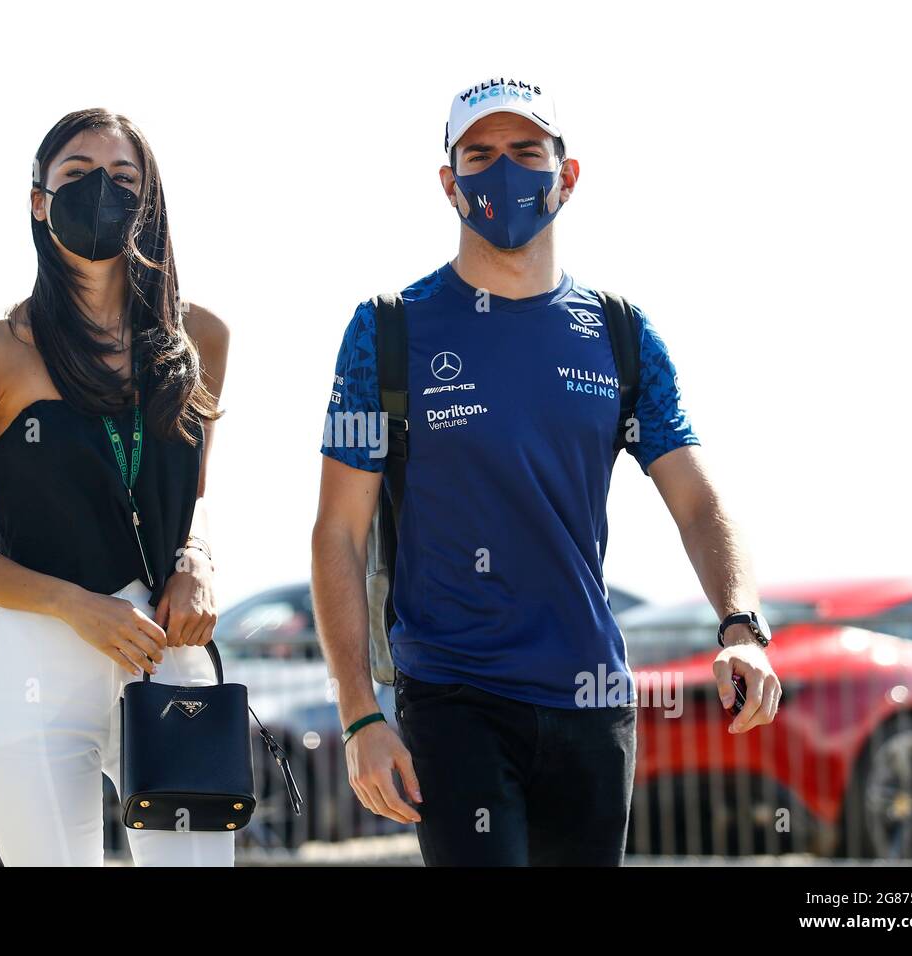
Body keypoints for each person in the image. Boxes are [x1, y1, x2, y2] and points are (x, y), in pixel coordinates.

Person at [310, 77, 781, 866]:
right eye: (480, 155)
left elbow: (698, 502)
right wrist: (360, 714)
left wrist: (742, 626)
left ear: (566, 176)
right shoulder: (386, 330)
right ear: (449, 183)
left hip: (592, 701)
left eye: (526, 153)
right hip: (453, 694)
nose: (504, 173)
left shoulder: (621, 334)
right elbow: (338, 530)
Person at [0, 108, 230, 867]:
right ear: (38, 200)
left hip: (169, 665)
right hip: (38, 670)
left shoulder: (203, 336)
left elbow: (193, 503)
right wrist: (72, 603)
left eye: (124, 179)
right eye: (76, 176)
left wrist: (196, 562)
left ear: (149, 200)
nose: (101, 192)